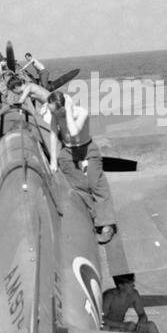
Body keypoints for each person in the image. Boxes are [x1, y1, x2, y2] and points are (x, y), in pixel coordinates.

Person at [50, 90, 117, 243]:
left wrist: (68, 110)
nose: (53, 114)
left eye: (55, 111)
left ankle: (107, 225)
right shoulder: (56, 114)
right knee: (77, 186)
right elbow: (53, 134)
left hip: (87, 149)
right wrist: (53, 160)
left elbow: (73, 132)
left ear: (64, 107)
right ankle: (95, 217)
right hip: (67, 152)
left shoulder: (82, 113)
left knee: (96, 184)